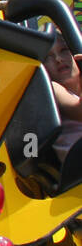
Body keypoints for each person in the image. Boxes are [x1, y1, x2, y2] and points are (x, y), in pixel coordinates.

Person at [43, 31, 82, 163]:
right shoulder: (53, 88)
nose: (58, 59)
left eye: (64, 50)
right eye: (48, 57)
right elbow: (80, 112)